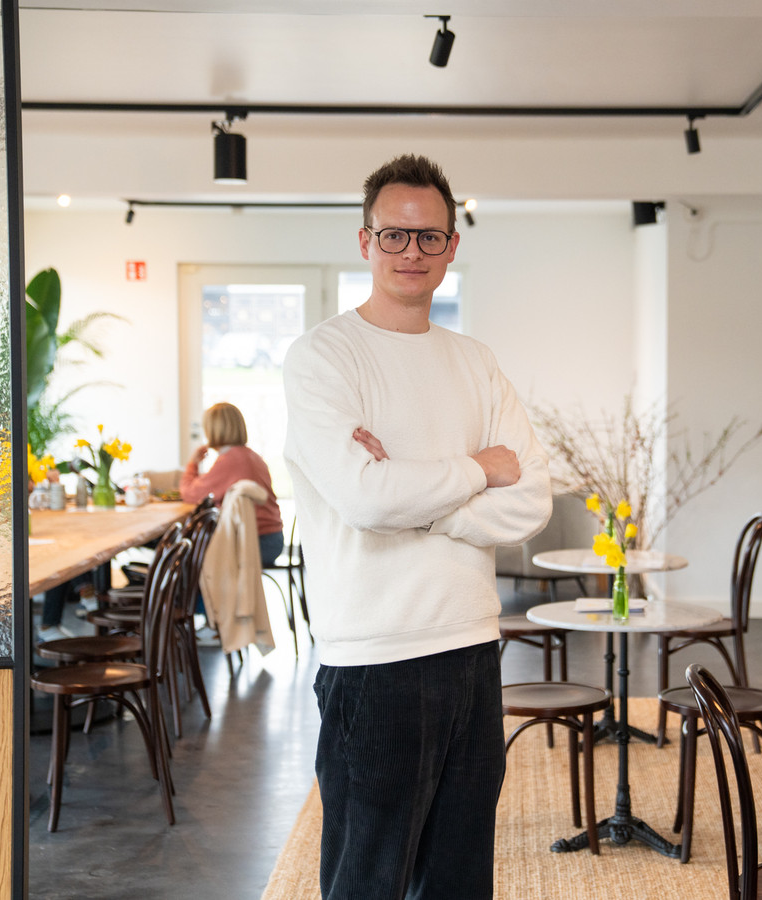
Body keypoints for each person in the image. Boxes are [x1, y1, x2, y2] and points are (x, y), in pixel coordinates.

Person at [283, 154, 552, 900]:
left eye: (428, 237)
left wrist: (410, 484)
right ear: (364, 242)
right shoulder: (323, 358)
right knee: (366, 878)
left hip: (471, 645)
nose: (412, 253)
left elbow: (531, 500)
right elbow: (365, 500)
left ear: (452, 246)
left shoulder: (475, 361)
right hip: (372, 656)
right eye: (394, 237)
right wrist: (476, 467)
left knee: (460, 878)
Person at [180, 402, 285, 641]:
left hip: (258, 543)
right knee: (202, 551)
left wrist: (193, 463)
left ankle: (213, 622)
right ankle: (213, 620)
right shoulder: (250, 456)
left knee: (196, 557)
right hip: (271, 539)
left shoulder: (230, 460)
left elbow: (191, 493)